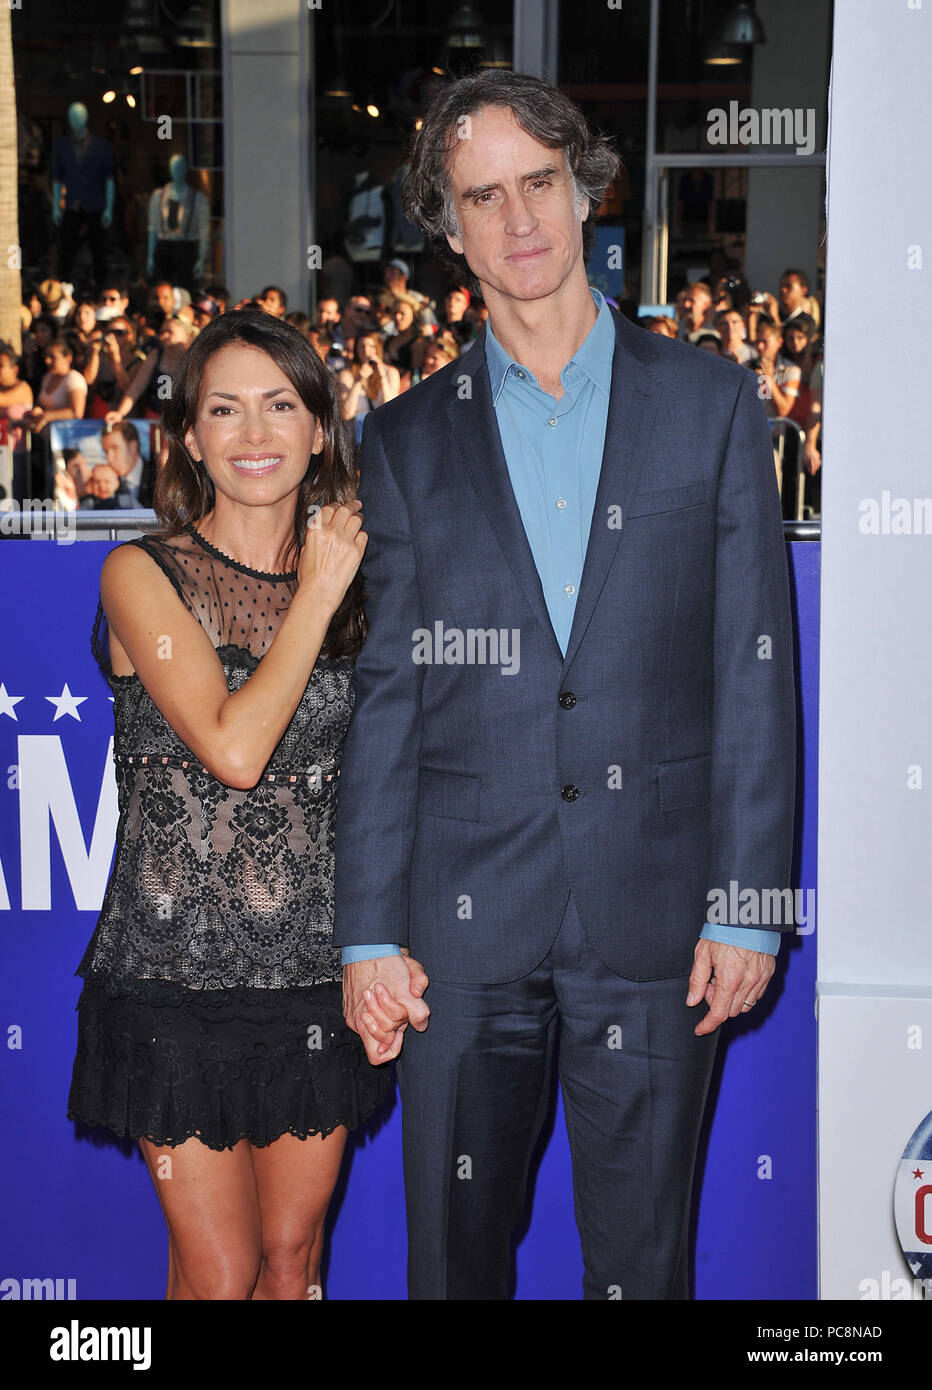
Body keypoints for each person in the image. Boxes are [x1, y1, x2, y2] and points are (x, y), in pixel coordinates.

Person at [333, 69, 795, 1301]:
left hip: (654, 920)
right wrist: (370, 929)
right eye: (481, 197)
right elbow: (388, 695)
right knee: (453, 1267)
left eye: (538, 181)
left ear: (583, 186)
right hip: (456, 926)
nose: (518, 220)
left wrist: (748, 903)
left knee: (642, 1271)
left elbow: (752, 670)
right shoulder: (405, 437)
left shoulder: (705, 403)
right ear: (447, 228)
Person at [67, 308, 396, 1299]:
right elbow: (233, 747)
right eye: (224, 409)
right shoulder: (140, 573)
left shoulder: (362, 583)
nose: (254, 434)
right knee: (219, 1275)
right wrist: (316, 591)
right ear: (192, 438)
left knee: (293, 1266)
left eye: (278, 406)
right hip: (171, 983)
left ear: (318, 430)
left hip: (307, 979)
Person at [337, 332, 400, 446]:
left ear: (378, 348)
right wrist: (357, 382)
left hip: (382, 439)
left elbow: (391, 409)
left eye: (371, 346)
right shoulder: (346, 374)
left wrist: (382, 377)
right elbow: (346, 414)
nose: (366, 351)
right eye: (362, 346)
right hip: (356, 442)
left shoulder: (391, 372)